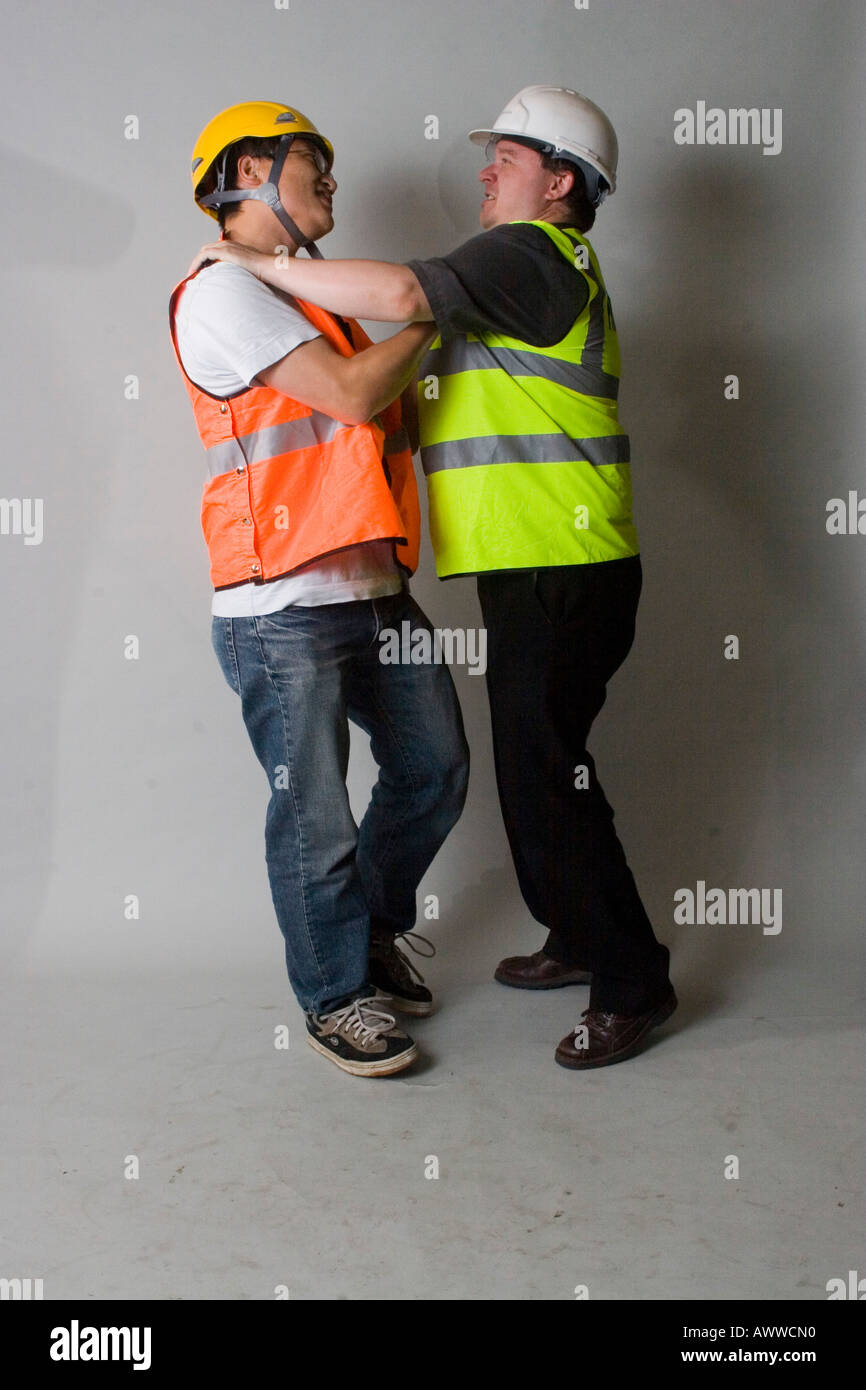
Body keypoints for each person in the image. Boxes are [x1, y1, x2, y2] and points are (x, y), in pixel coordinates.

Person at [187, 86, 676, 1070]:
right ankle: (549, 940)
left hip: (556, 560)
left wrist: (273, 261)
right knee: (516, 775)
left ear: (562, 179)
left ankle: (632, 976)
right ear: (248, 172)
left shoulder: (529, 253)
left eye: (508, 155)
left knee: (539, 776)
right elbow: (380, 391)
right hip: (387, 580)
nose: (487, 170)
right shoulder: (240, 293)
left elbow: (406, 316)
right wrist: (298, 280)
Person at [169, 101, 469, 1078]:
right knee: (314, 813)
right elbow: (347, 396)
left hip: (369, 581)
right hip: (277, 605)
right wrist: (431, 309)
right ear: (248, 171)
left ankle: (369, 940)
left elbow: (385, 423)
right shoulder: (221, 290)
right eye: (313, 163)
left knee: (433, 769)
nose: (332, 180)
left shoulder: (313, 300)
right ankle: (336, 998)